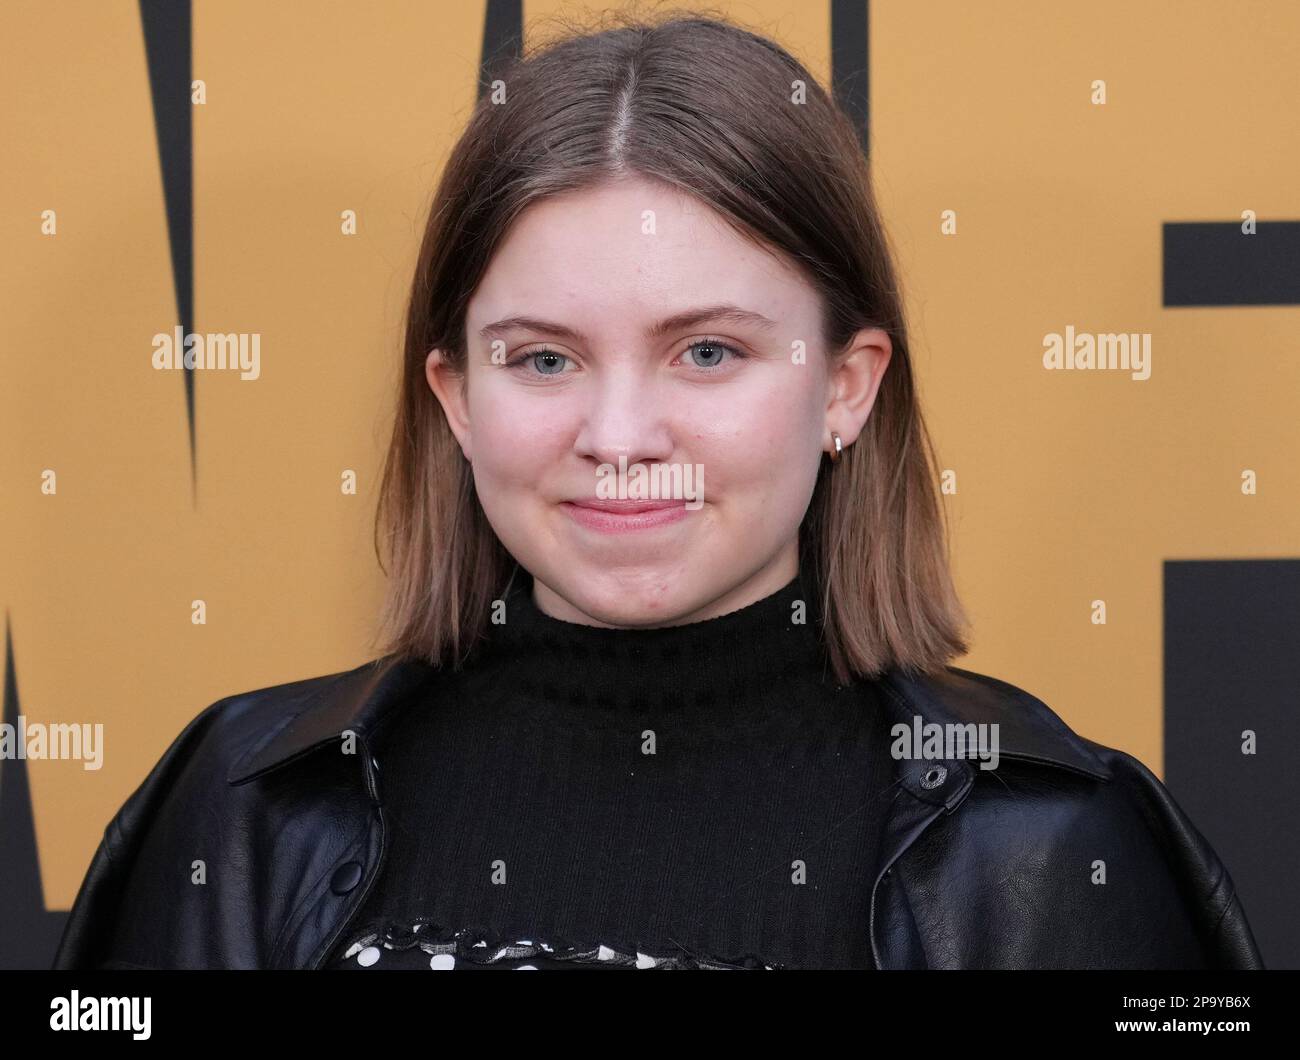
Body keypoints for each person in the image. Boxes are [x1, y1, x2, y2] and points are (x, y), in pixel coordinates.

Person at [52, 11, 1263, 971]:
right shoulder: (245, 807)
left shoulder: (1051, 843)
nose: (620, 436)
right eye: (542, 358)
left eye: (707, 352)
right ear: (456, 396)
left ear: (847, 387)